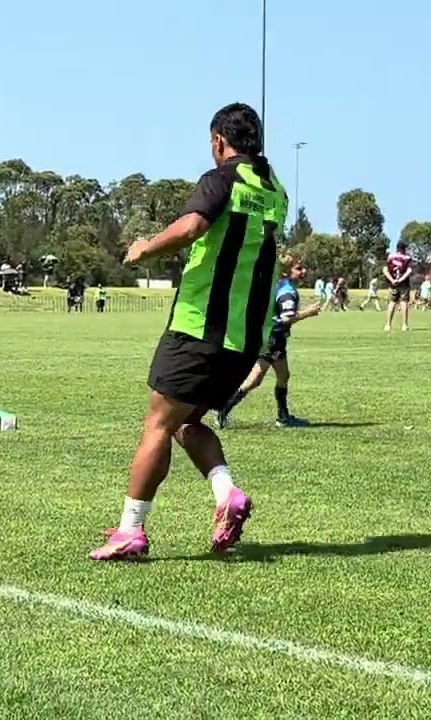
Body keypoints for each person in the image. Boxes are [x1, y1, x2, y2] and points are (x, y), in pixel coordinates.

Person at [89, 102, 286, 561]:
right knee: (187, 423)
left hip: (199, 329)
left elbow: (194, 225)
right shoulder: (274, 189)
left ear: (219, 140)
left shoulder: (220, 179)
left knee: (157, 424)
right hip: (244, 340)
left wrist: (144, 249)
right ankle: (226, 494)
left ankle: (130, 531)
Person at [215, 255, 320, 429]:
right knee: (256, 379)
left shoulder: (281, 286)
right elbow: (286, 319)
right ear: (286, 271)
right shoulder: (287, 292)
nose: (304, 271)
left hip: (274, 338)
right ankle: (223, 407)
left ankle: (282, 416)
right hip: (272, 338)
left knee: (282, 376)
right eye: (298, 268)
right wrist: (308, 313)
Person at [383, 241, 414, 331]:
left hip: (392, 284)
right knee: (403, 302)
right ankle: (404, 325)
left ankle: (388, 325)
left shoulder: (391, 256)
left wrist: (392, 280)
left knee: (392, 302)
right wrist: (400, 280)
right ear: (404, 248)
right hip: (403, 283)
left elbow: (385, 269)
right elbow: (409, 271)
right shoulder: (407, 258)